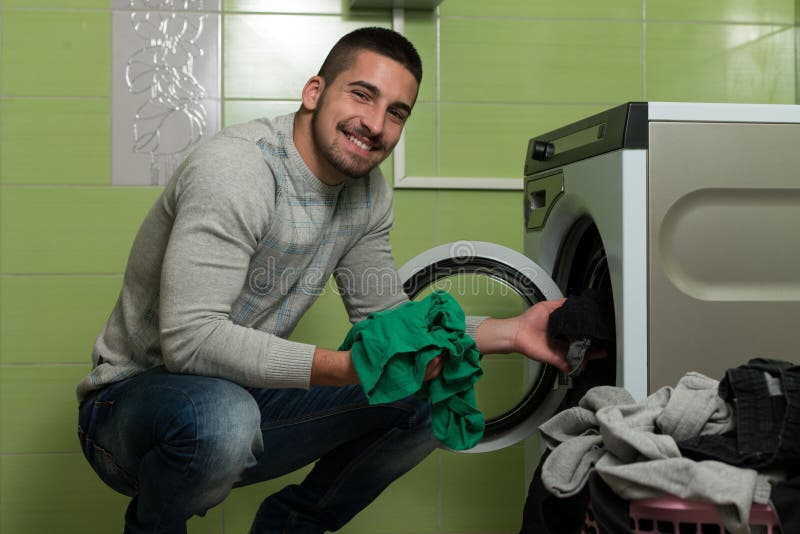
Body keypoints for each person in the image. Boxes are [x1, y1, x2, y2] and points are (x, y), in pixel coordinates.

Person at [76, 26, 569, 534]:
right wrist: (350, 368)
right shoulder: (238, 170)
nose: (375, 124)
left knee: (422, 390)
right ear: (314, 92)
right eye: (362, 94)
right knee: (222, 418)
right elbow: (189, 341)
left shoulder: (366, 194)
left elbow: (389, 322)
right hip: (128, 409)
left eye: (396, 112)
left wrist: (509, 333)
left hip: (241, 400)